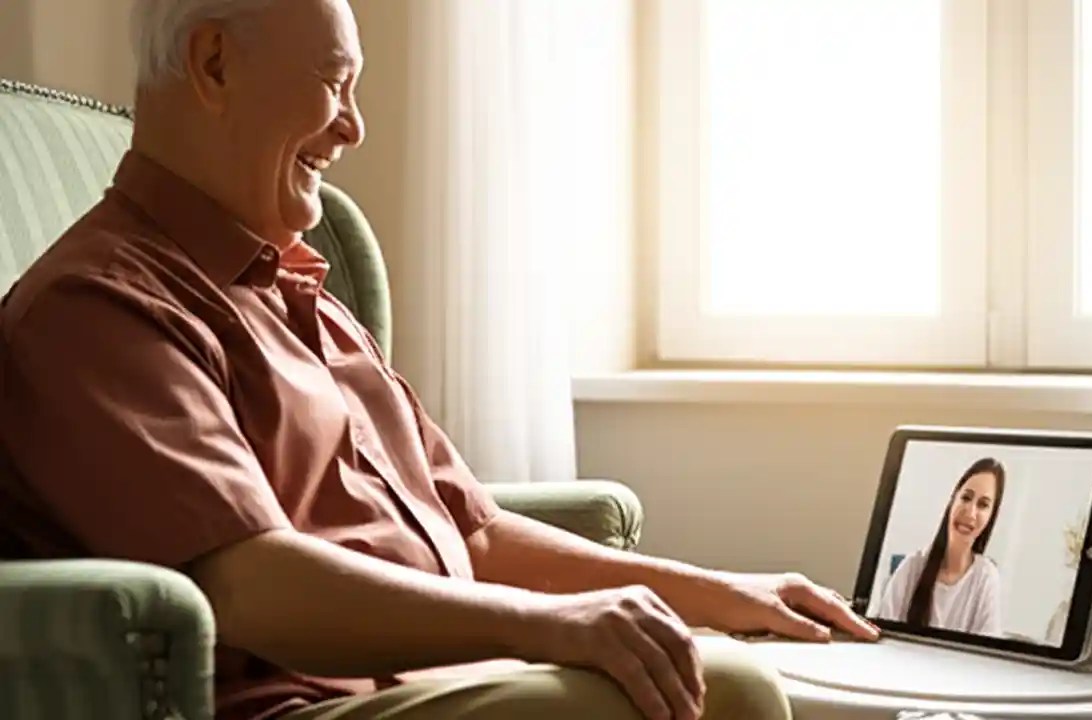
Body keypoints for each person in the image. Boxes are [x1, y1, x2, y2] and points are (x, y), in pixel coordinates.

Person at [0, 1, 882, 719]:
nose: (352, 127)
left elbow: (476, 532)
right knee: (727, 694)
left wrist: (722, 593)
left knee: (782, 672)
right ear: (215, 65)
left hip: (437, 677)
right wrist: (555, 627)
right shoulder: (101, 308)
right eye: (335, 85)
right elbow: (253, 588)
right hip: (303, 704)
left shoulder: (304, 297)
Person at [873, 458, 1005, 638]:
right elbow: (883, 635)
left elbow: (987, 653)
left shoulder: (986, 577)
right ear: (952, 500)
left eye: (983, 505)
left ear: (991, 516)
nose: (971, 513)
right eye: (966, 497)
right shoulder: (912, 566)